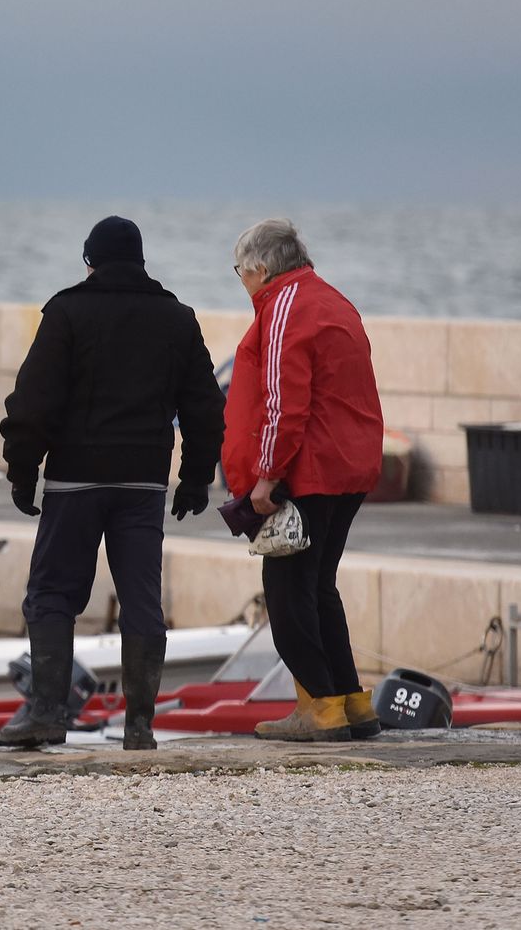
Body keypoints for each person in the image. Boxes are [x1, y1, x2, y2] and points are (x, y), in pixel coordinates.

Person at [0, 216, 225, 750]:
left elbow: (33, 401)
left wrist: (22, 469)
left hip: (75, 479)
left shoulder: (67, 311)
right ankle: (140, 727)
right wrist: (194, 478)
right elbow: (204, 408)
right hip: (144, 483)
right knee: (142, 601)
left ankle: (48, 715)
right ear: (142, 261)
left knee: (52, 595)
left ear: (89, 260)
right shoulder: (177, 318)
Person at [223, 218, 384, 742]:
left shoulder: (284, 307)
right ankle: (351, 702)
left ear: (261, 268)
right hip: (350, 466)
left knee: (288, 590)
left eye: (240, 272)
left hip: (311, 469)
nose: (241, 282)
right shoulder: (334, 300)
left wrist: (265, 476)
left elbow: (282, 401)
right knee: (319, 587)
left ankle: (318, 708)